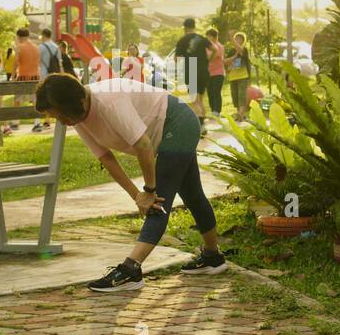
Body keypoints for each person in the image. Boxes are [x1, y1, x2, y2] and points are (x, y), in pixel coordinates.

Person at [35, 73, 226, 292]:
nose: (62, 122)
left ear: (75, 102)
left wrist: (149, 190)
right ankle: (213, 257)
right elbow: (106, 158)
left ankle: (131, 269)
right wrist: (136, 195)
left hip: (178, 122)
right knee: (192, 194)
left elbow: (143, 146)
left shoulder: (109, 101)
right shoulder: (77, 118)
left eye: (60, 116)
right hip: (165, 132)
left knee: (159, 200)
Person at [175, 17, 215, 136]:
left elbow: (177, 59)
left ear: (185, 28)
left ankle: (201, 126)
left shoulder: (182, 40)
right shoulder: (201, 38)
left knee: (194, 100)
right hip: (203, 70)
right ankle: (203, 125)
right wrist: (208, 60)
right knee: (200, 100)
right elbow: (215, 49)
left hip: (191, 69)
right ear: (194, 26)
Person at [13, 28, 41, 131]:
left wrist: (12, 75)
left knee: (17, 100)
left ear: (19, 36)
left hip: (23, 77)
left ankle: (15, 122)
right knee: (35, 100)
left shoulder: (19, 47)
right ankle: (37, 123)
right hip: (35, 77)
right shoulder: (36, 47)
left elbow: (16, 62)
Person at [226, 32, 252, 122]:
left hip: (243, 76)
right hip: (233, 77)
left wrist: (231, 38)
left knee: (242, 95)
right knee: (235, 96)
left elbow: (240, 50)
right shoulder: (231, 51)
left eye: (240, 39)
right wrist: (233, 58)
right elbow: (225, 61)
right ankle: (239, 114)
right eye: (236, 38)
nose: (238, 40)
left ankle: (241, 114)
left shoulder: (244, 49)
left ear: (243, 41)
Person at [205, 28, 225, 123]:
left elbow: (211, 57)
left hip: (218, 73)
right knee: (209, 92)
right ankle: (213, 110)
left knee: (215, 92)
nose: (208, 39)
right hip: (209, 73)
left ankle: (217, 111)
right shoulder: (207, 47)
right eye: (207, 37)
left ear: (215, 37)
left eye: (209, 37)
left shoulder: (219, 47)